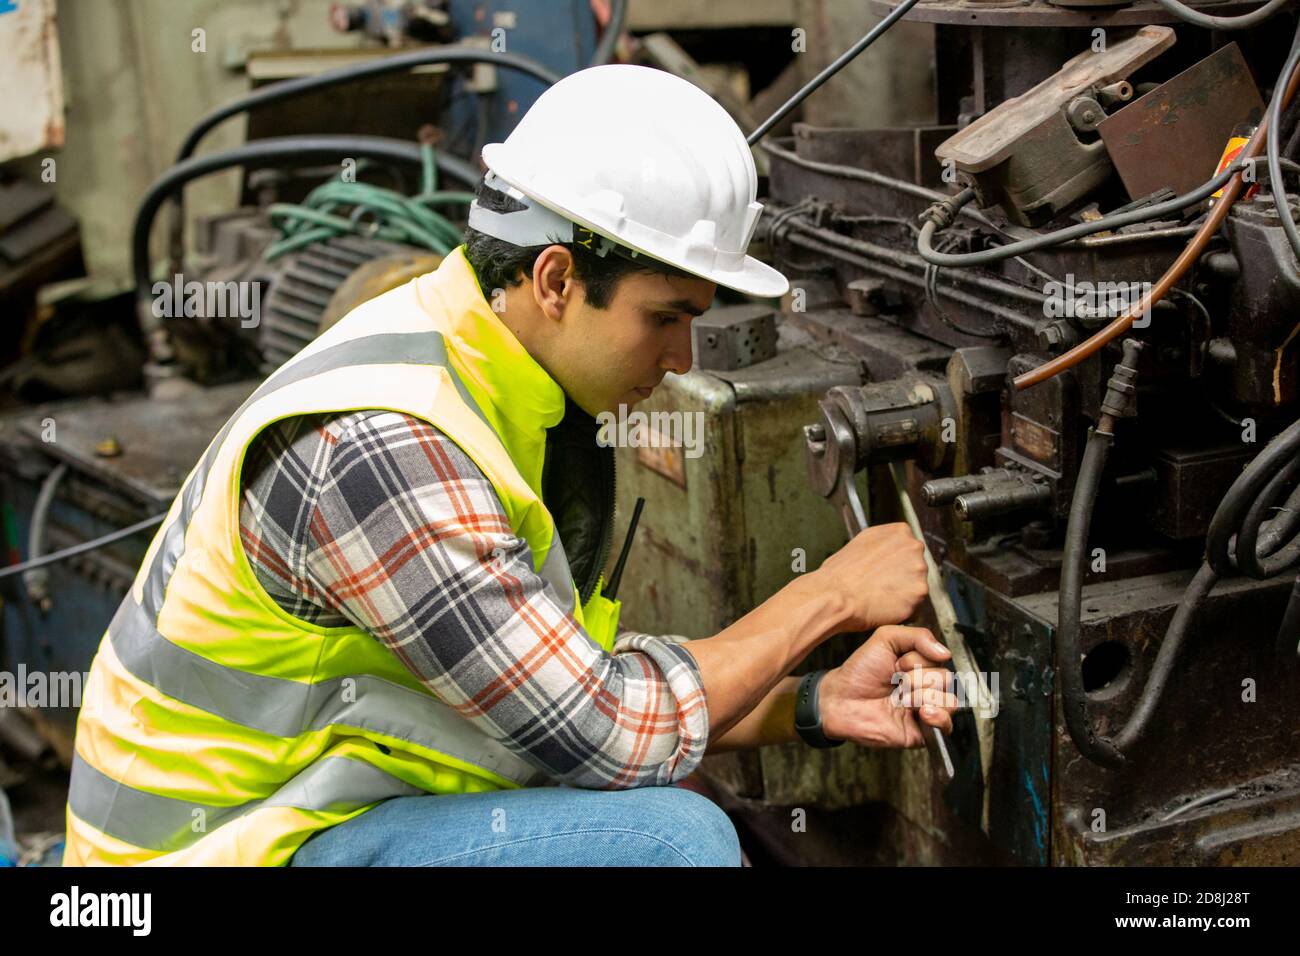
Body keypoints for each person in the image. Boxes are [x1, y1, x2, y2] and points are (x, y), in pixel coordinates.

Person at [62, 64, 955, 867]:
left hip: (303, 819)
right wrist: (830, 593)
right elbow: (606, 732)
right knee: (670, 846)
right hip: (205, 859)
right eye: (664, 317)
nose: (684, 357)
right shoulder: (386, 446)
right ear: (558, 280)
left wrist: (813, 701)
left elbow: (556, 685)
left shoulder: (484, 375)